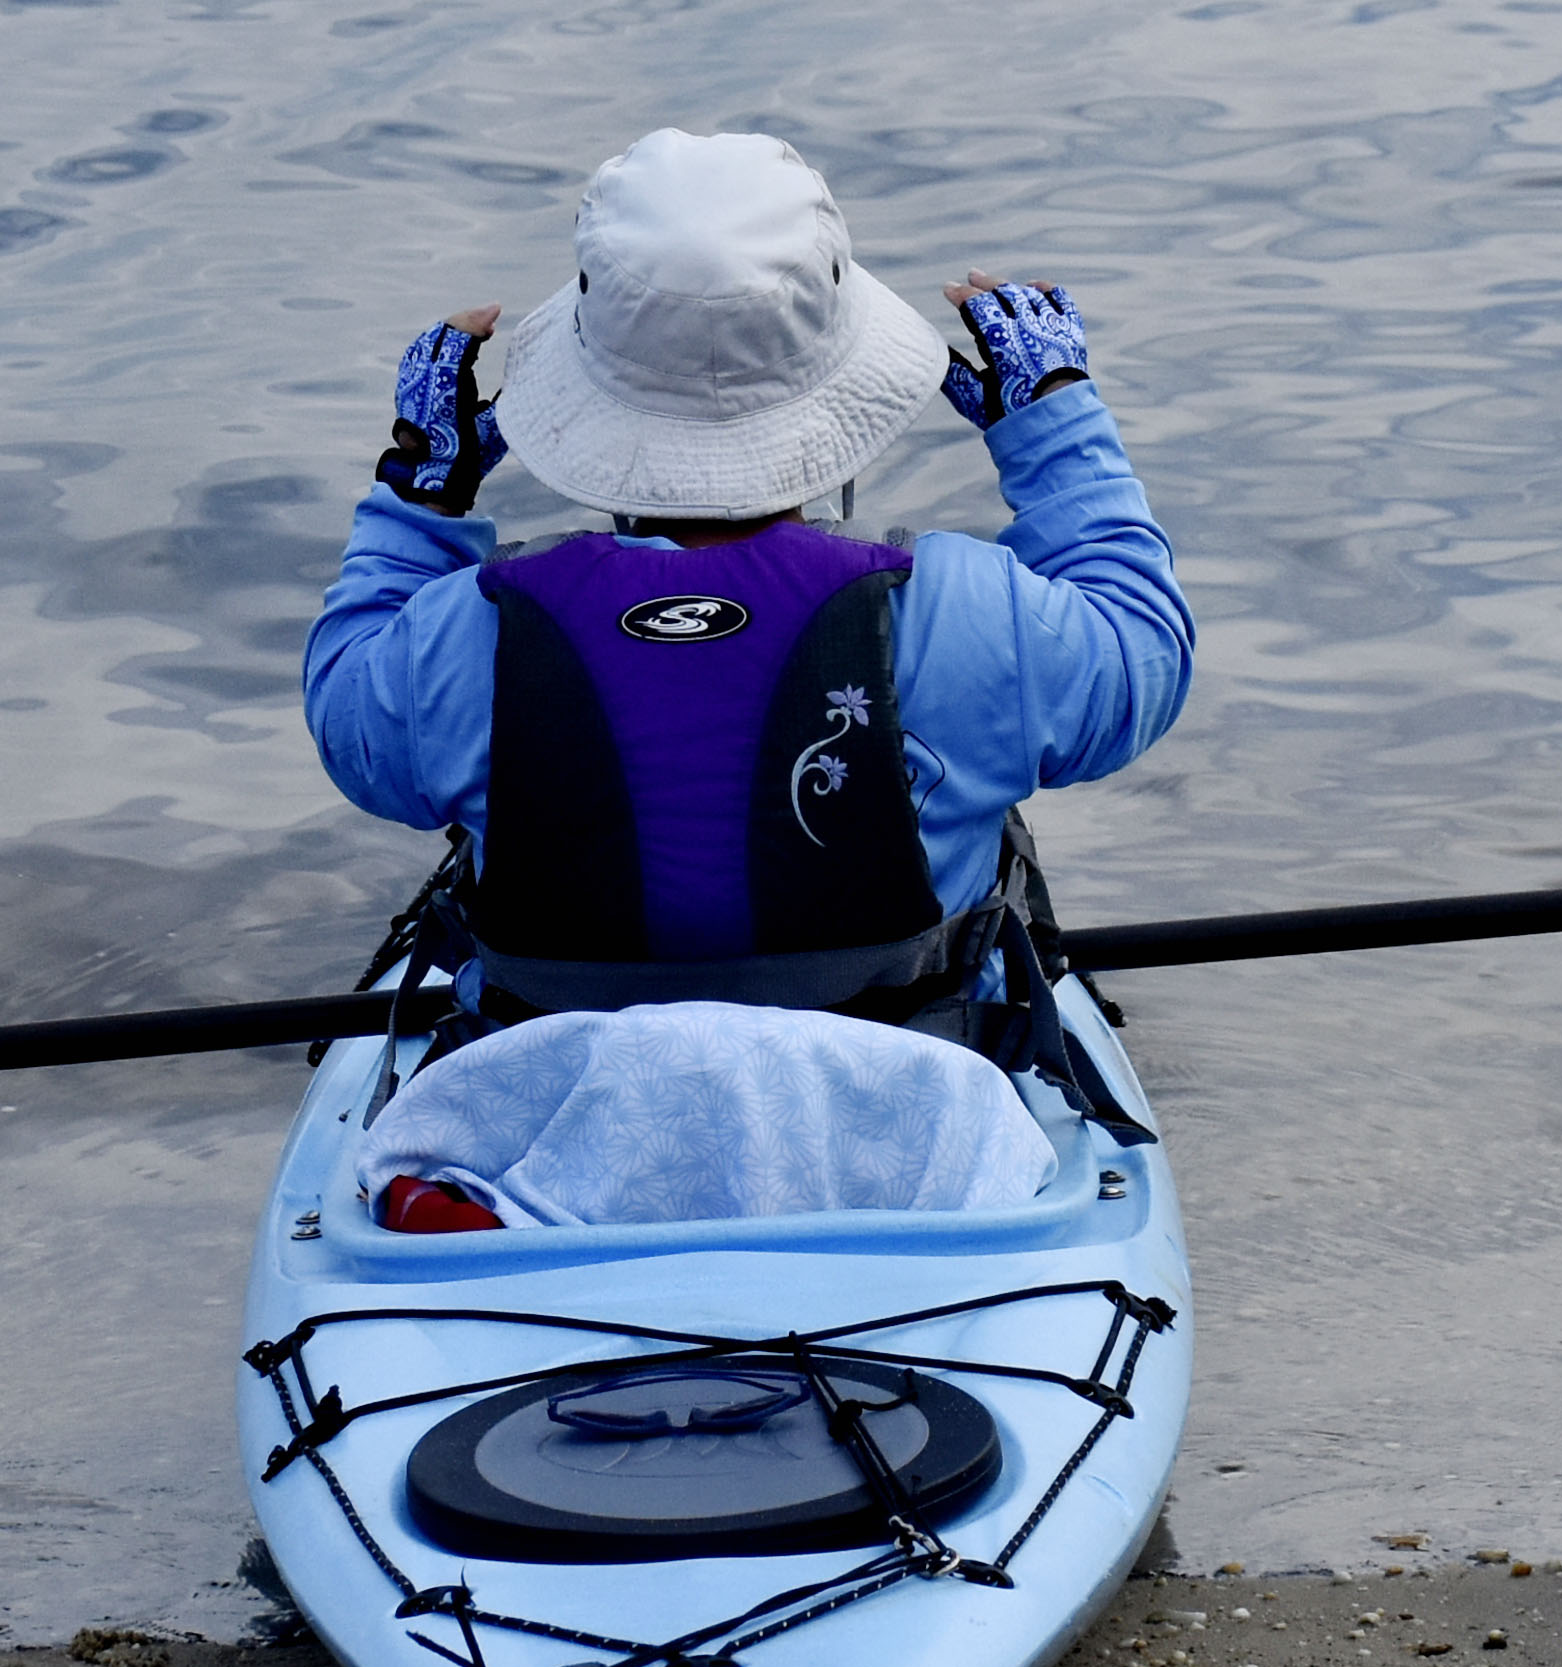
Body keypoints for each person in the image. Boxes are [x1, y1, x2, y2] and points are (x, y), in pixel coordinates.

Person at [302, 127, 1191, 1035]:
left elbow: (348, 723)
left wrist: (421, 498)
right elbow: (1144, 658)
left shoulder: (458, 634)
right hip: (909, 1072)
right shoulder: (975, 611)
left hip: (556, 1079)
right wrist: (1055, 426)